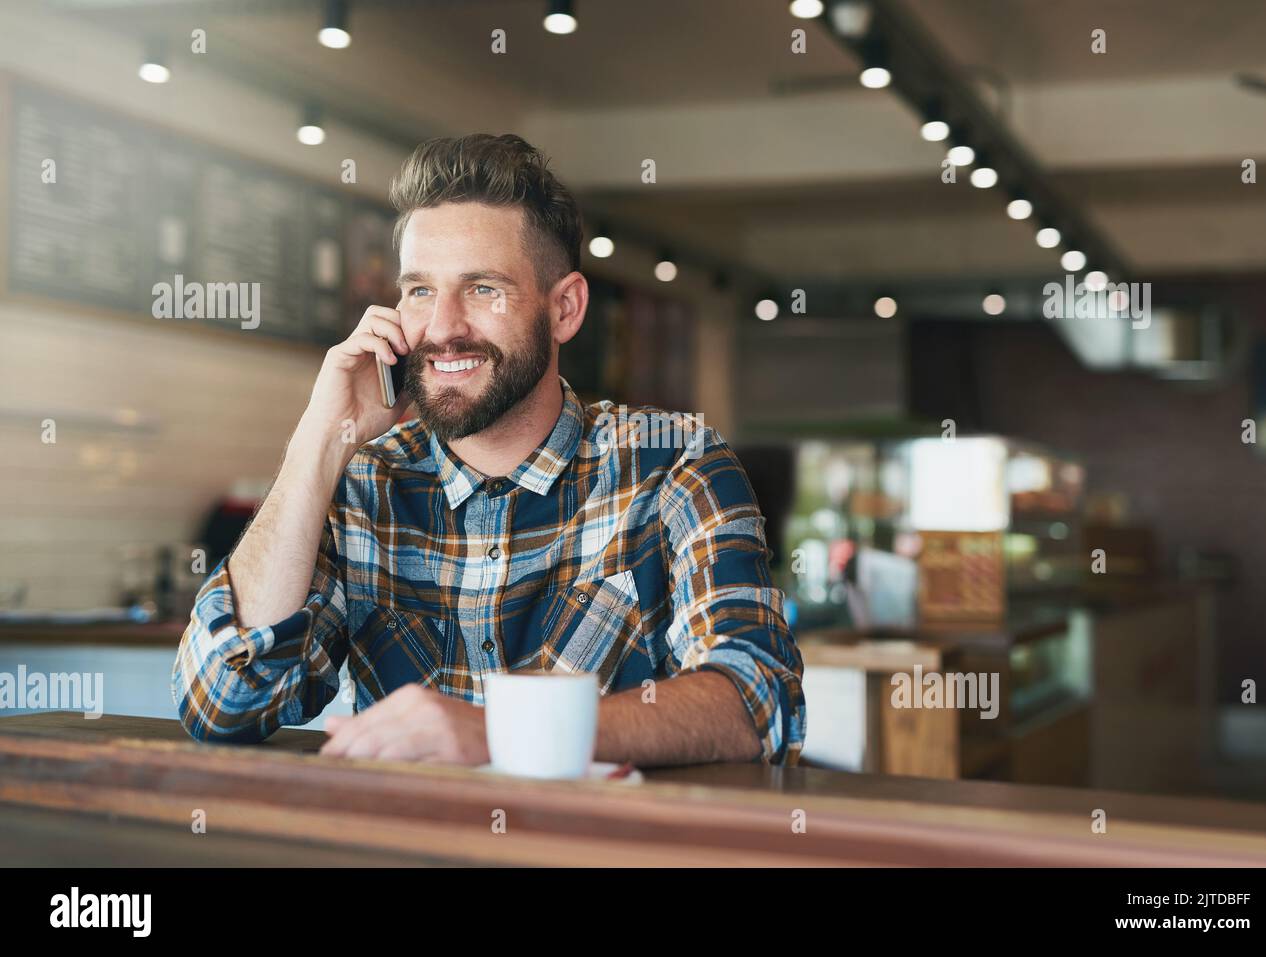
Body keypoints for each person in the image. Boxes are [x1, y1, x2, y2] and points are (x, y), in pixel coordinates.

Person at [172, 133, 805, 766]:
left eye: (483, 288)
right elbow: (223, 703)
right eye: (420, 291)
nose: (443, 328)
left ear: (565, 309)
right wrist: (319, 437)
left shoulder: (675, 463)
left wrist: (500, 734)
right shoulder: (364, 482)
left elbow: (758, 701)